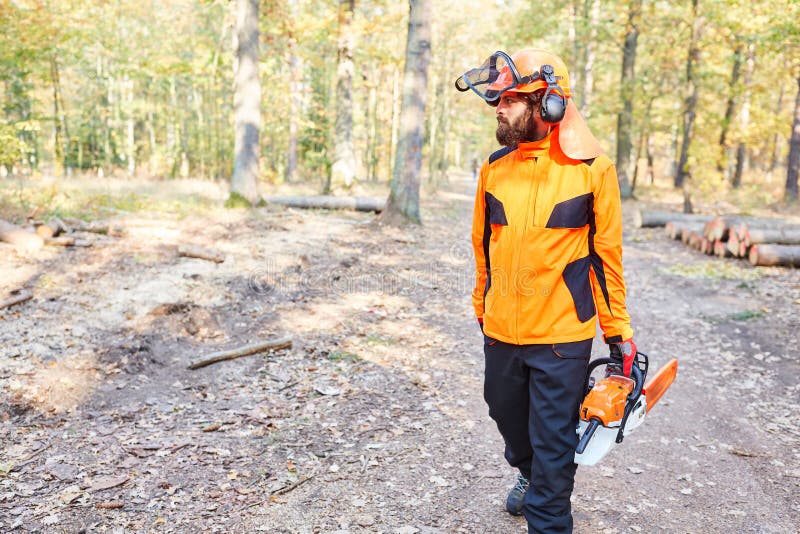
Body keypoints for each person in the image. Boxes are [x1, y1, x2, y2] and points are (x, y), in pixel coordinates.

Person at [456, 48, 638, 533]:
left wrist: (617, 332)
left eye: (512, 99)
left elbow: (606, 259)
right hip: (501, 329)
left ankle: (548, 510)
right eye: (499, 98)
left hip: (561, 335)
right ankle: (532, 476)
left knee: (553, 441)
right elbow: (483, 248)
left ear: (548, 105)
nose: (499, 107)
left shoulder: (591, 170)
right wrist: (481, 307)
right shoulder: (494, 168)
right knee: (506, 416)